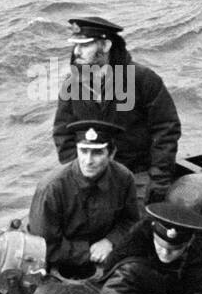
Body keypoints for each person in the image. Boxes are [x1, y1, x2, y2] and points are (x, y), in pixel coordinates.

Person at [51, 16, 181, 207]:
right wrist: (77, 175)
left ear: (105, 45)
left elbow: (166, 130)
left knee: (136, 228)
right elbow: (63, 133)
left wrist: (159, 182)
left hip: (136, 174)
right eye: (75, 45)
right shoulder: (72, 85)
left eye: (85, 45)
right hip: (90, 175)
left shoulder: (142, 79)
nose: (76, 51)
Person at [28, 119, 140, 280]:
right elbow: (43, 246)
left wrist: (109, 242)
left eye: (97, 152)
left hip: (106, 254)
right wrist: (88, 252)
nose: (88, 160)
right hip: (58, 263)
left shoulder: (123, 178)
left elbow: (130, 221)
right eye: (84, 151)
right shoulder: (52, 188)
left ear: (112, 153)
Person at [91, 202, 202, 294]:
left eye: (174, 250)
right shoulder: (132, 269)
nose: (165, 254)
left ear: (188, 244)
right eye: (160, 246)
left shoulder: (193, 252)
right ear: (152, 236)